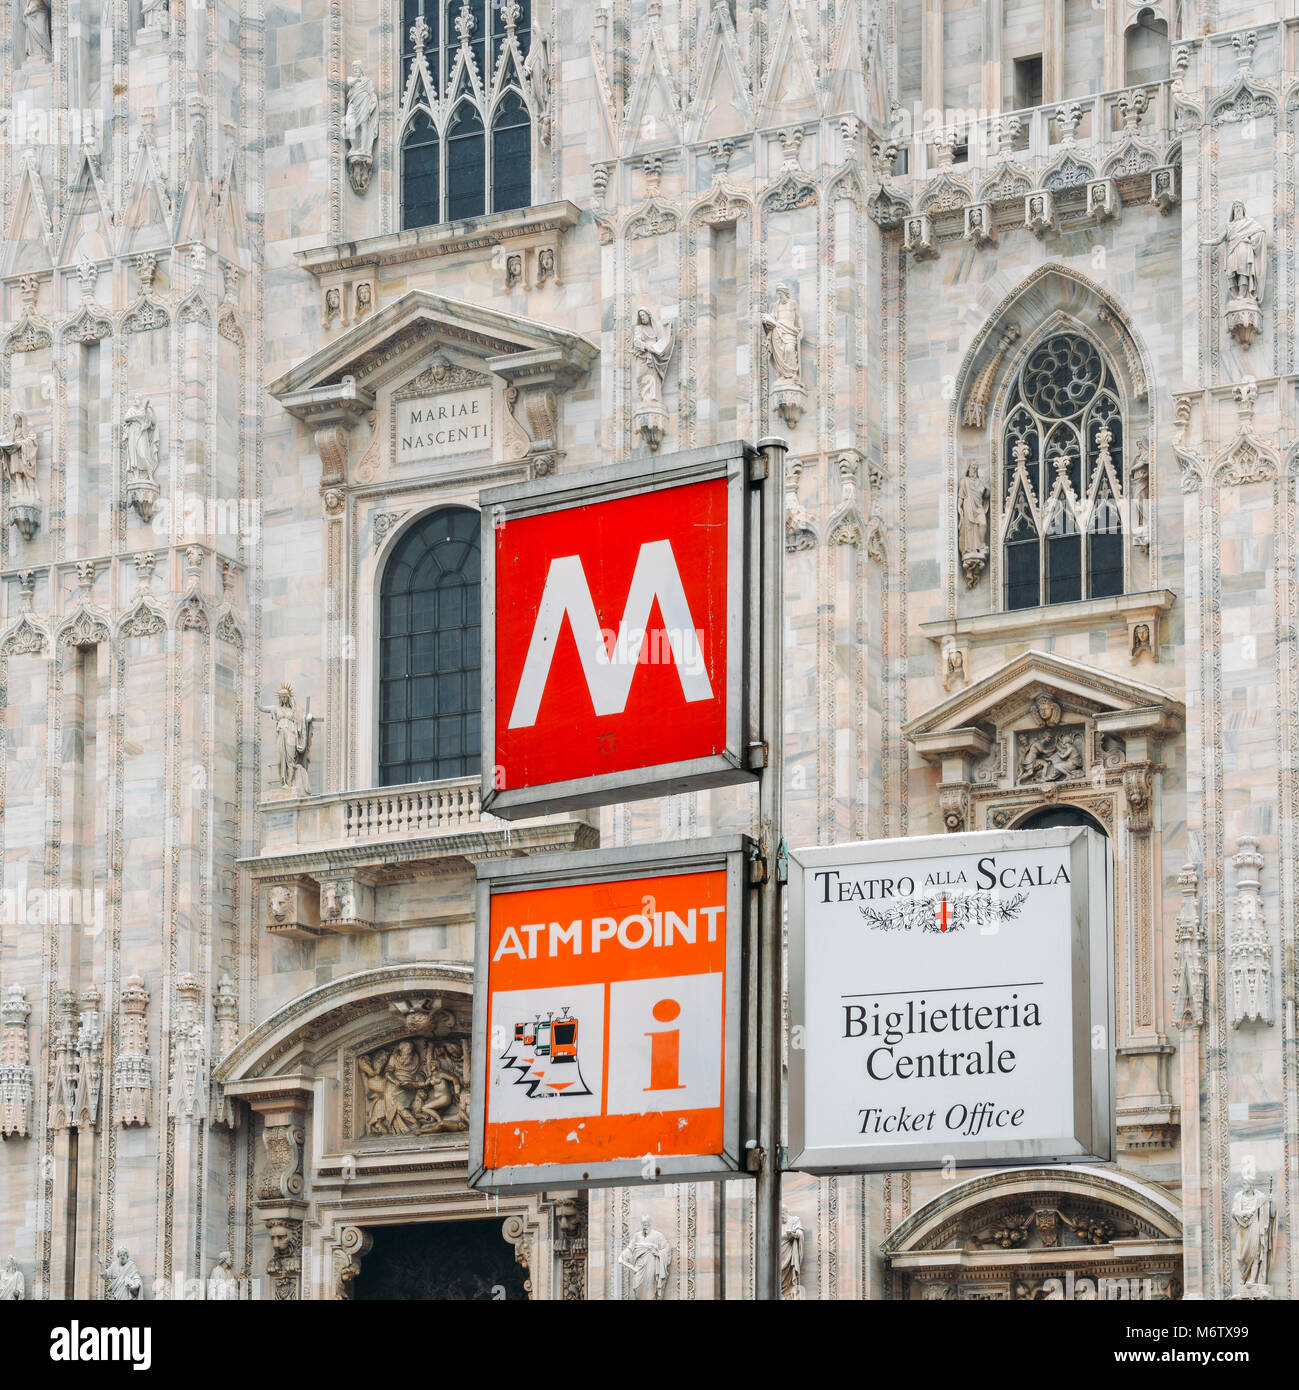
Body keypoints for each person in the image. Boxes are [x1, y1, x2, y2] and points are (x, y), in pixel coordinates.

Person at [1218, 201, 1266, 304]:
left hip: (1244, 251)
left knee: (1243, 273)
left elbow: (1261, 231)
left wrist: (1251, 240)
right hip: (1232, 252)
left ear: (1243, 209)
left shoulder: (1249, 223)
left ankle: (1242, 295)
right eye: (1235, 207)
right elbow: (1219, 239)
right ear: (1233, 210)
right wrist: (1206, 242)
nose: (1238, 209)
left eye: (1240, 207)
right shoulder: (1229, 226)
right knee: (1231, 275)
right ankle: (1236, 296)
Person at [619, 1215, 672, 1300]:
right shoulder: (637, 1236)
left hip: (651, 1265)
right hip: (639, 1266)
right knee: (637, 1286)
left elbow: (667, 1248)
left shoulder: (658, 1235)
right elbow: (630, 1248)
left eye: (647, 1224)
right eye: (643, 1224)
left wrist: (659, 1253)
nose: (645, 1226)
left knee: (650, 1286)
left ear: (650, 1224)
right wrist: (622, 1256)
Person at [632, 307, 674, 407]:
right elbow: (636, 342)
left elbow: (663, 335)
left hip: (654, 355)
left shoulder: (655, 327)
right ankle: (644, 398)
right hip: (643, 355)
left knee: (653, 377)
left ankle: (653, 398)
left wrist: (668, 327)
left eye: (644, 315)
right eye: (640, 316)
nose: (642, 317)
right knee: (640, 376)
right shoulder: (639, 328)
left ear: (648, 315)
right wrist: (646, 347)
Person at [762, 284, 802, 383]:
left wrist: (801, 331)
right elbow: (773, 317)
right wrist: (767, 319)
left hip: (790, 330)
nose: (780, 297)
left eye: (781, 294)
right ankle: (783, 375)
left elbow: (799, 318)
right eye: (778, 295)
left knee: (789, 350)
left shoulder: (793, 303)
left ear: (786, 293)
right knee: (780, 354)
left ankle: (792, 374)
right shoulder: (776, 305)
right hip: (778, 331)